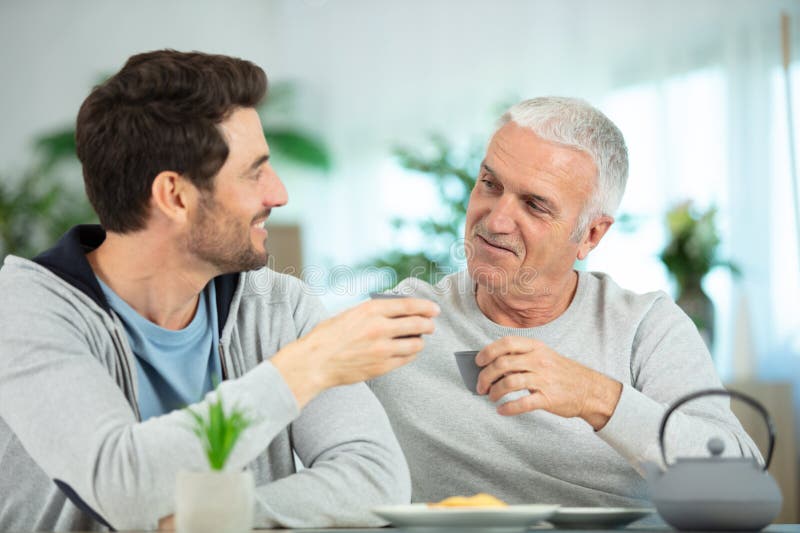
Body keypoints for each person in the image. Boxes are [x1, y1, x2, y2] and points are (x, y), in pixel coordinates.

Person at [0, 50, 440, 532]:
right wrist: (305, 367)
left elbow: (376, 479)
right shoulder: (26, 312)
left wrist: (214, 519)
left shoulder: (280, 308)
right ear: (175, 196)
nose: (278, 193)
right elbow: (122, 487)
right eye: (255, 172)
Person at [368, 97, 760, 507]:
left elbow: (740, 489)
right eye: (490, 184)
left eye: (535, 205)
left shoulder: (646, 327)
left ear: (590, 235)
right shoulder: (401, 318)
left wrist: (596, 397)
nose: (496, 220)